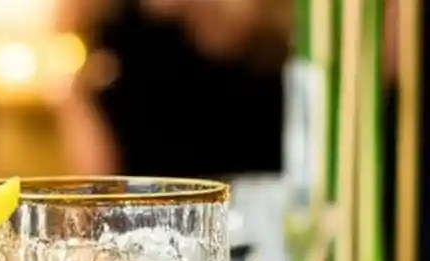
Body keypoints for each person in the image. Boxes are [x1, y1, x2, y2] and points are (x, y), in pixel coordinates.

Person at [57, 0, 286, 177]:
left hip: (246, 198)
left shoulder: (260, 49)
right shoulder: (112, 39)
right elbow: (97, 186)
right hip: (145, 215)